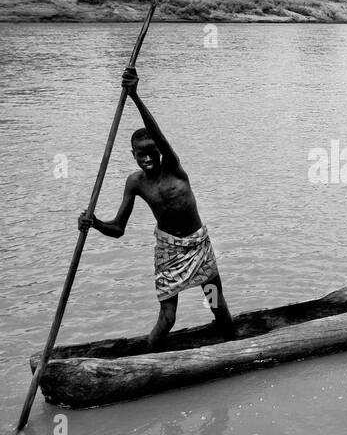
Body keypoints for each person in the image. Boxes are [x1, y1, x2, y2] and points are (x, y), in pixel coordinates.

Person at [79, 67, 235, 349]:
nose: (148, 158)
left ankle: (234, 348)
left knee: (215, 303)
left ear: (160, 152)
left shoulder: (173, 167)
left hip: (198, 246)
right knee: (168, 317)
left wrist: (136, 96)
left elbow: (158, 134)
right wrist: (94, 223)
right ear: (133, 155)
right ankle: (147, 360)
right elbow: (117, 229)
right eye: (142, 154)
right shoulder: (135, 183)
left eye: (152, 152)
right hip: (168, 252)